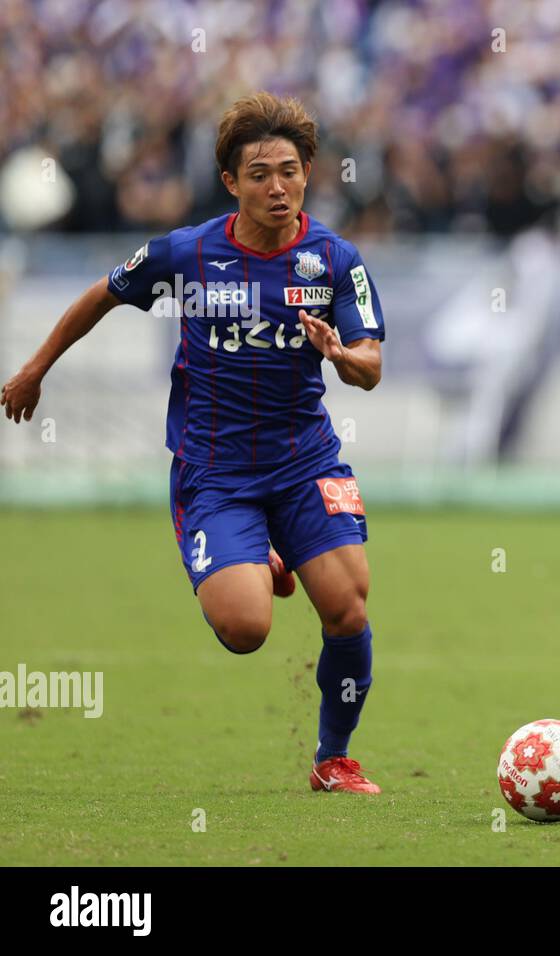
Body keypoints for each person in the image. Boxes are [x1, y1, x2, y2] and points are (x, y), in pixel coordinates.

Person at [2, 92, 387, 795]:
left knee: (350, 608)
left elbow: (371, 367)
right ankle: (259, 553)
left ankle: (333, 759)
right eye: (261, 173)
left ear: (309, 174)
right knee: (245, 630)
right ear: (232, 182)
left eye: (291, 171)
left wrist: (338, 354)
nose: (279, 186)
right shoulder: (189, 253)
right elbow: (102, 293)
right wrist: (34, 371)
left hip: (306, 462)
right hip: (217, 474)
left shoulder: (334, 260)